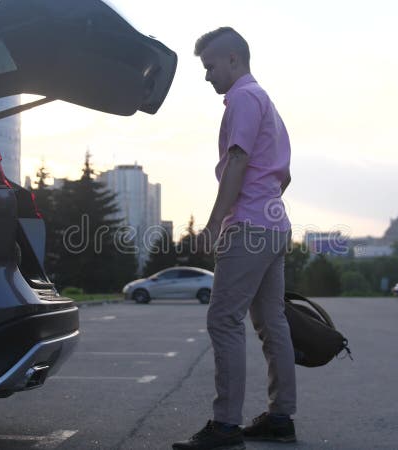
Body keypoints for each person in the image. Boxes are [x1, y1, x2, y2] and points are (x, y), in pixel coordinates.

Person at [172, 27, 296, 450]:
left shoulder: (243, 99)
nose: (207, 75)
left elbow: (238, 160)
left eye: (209, 66)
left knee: (224, 320)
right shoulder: (267, 102)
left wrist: (213, 224)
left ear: (232, 59)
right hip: (274, 226)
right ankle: (280, 418)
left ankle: (225, 426)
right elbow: (284, 176)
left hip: (248, 227)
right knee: (272, 322)